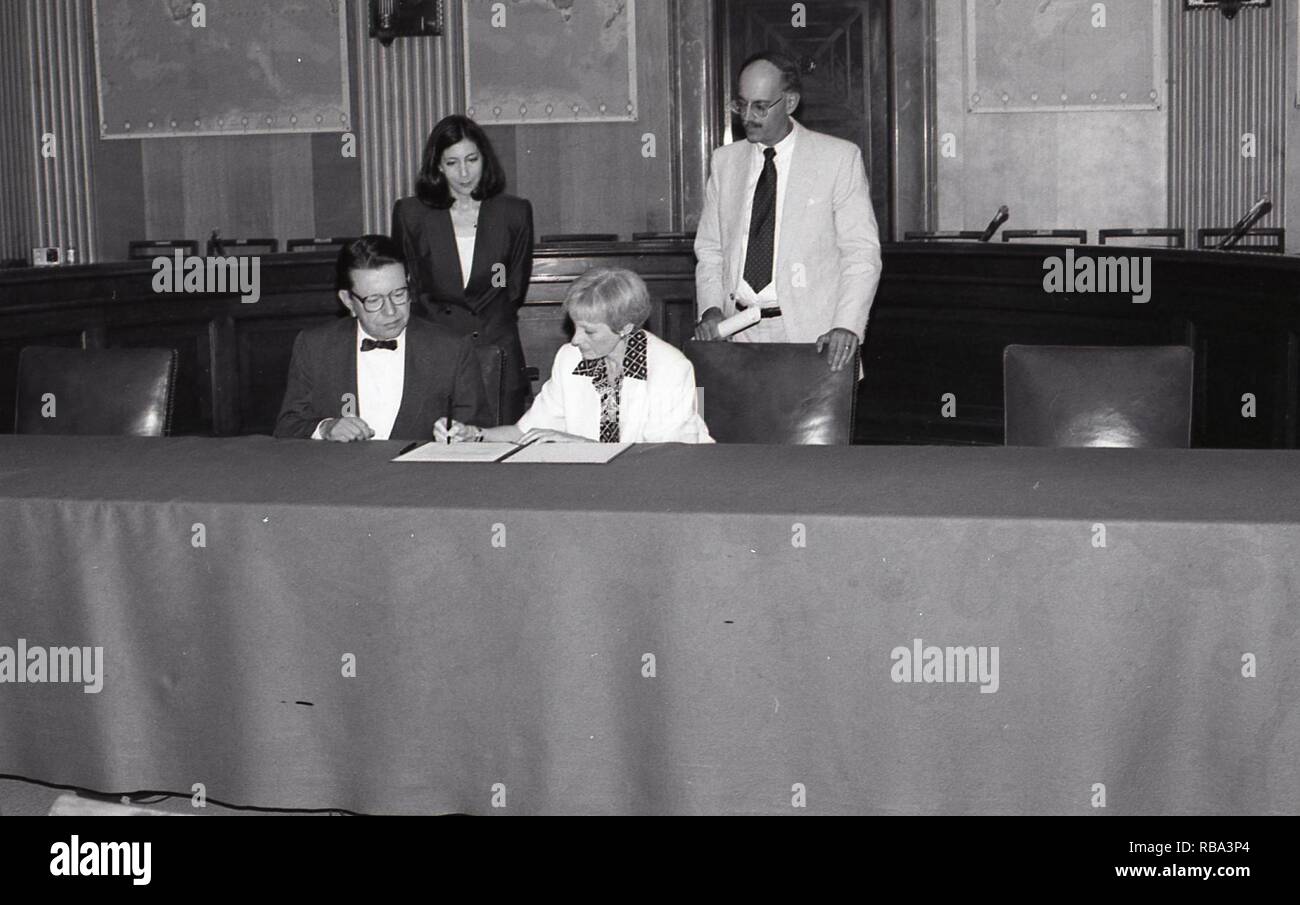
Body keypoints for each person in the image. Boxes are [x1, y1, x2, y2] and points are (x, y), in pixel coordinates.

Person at [693, 50, 882, 373]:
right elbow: (710, 250)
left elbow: (861, 254)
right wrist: (711, 309)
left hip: (811, 336)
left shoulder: (837, 159)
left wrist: (846, 326)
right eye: (742, 104)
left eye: (761, 106)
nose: (748, 116)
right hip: (735, 335)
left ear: (790, 103)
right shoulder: (724, 162)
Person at [438, 267, 712, 444]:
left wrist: (580, 447)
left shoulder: (671, 368)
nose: (575, 339)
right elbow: (526, 433)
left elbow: (666, 461)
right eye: (574, 325)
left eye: (589, 332)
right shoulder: (569, 359)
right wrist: (474, 435)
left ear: (625, 328)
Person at [274, 235, 490, 441]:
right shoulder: (315, 346)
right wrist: (326, 428)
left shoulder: (451, 348)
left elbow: (479, 430)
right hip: (339, 476)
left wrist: (460, 434)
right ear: (348, 301)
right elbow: (288, 427)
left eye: (398, 294)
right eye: (374, 300)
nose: (391, 311)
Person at [391, 114, 534, 423]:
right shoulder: (411, 214)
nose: (465, 173)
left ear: (485, 159)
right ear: (438, 166)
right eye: (452, 163)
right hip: (437, 353)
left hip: (498, 351)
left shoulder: (514, 212)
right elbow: (409, 287)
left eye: (472, 159)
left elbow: (514, 289)